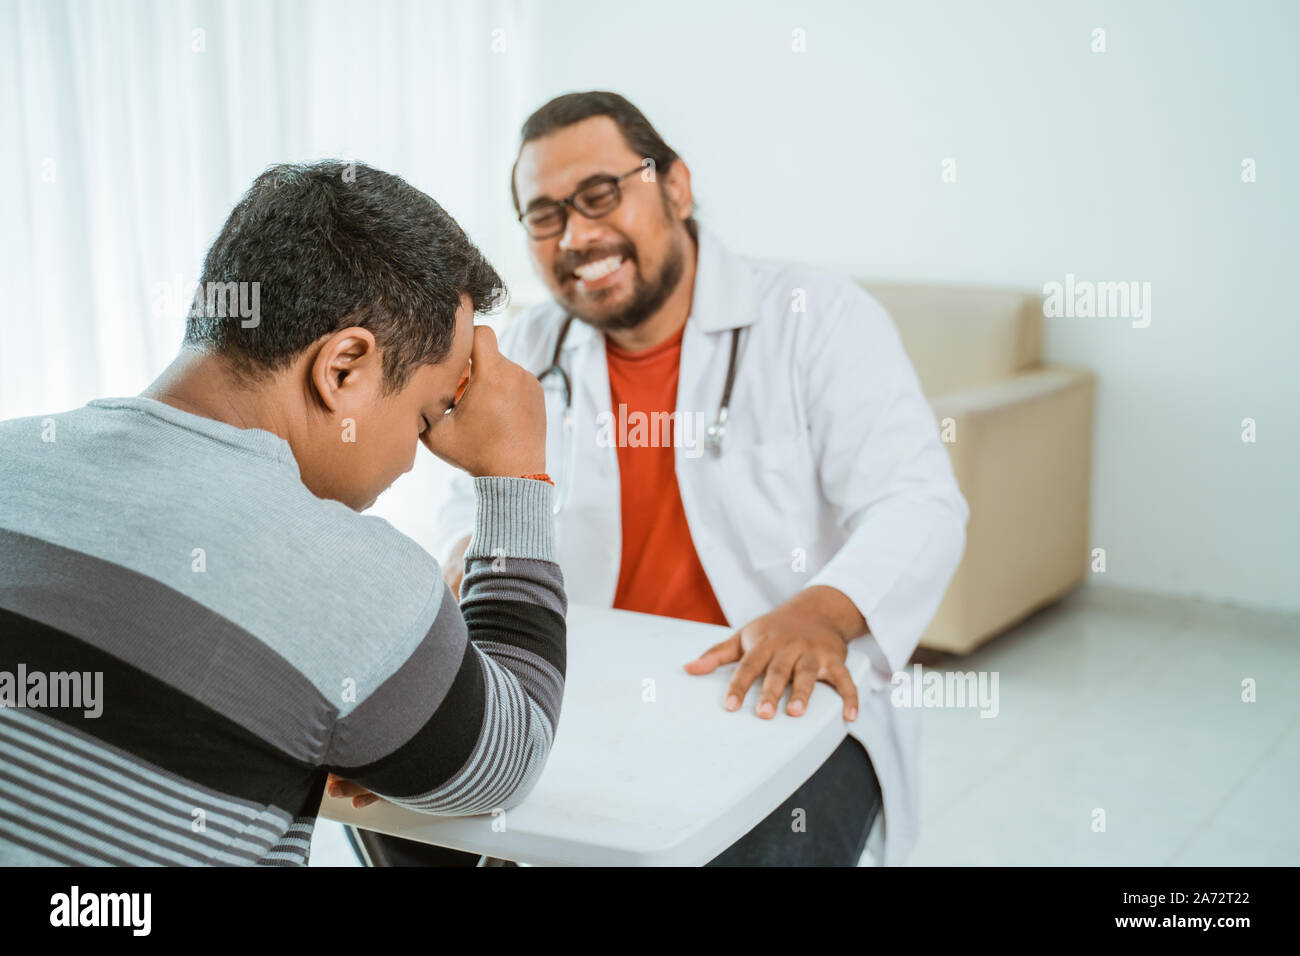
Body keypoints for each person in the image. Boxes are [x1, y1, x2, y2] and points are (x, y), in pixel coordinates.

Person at [369, 92, 970, 867]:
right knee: (400, 815)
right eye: (546, 215)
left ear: (677, 187)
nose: (579, 235)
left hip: (778, 690)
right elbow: (468, 490)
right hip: (589, 687)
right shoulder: (526, 343)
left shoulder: (816, 317)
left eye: (601, 194)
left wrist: (825, 610)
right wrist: (463, 553)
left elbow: (917, 502)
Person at [0, 161, 565, 866]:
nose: (411, 459)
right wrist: (517, 476)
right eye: (425, 417)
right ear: (344, 368)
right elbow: (513, 755)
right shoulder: (348, 577)